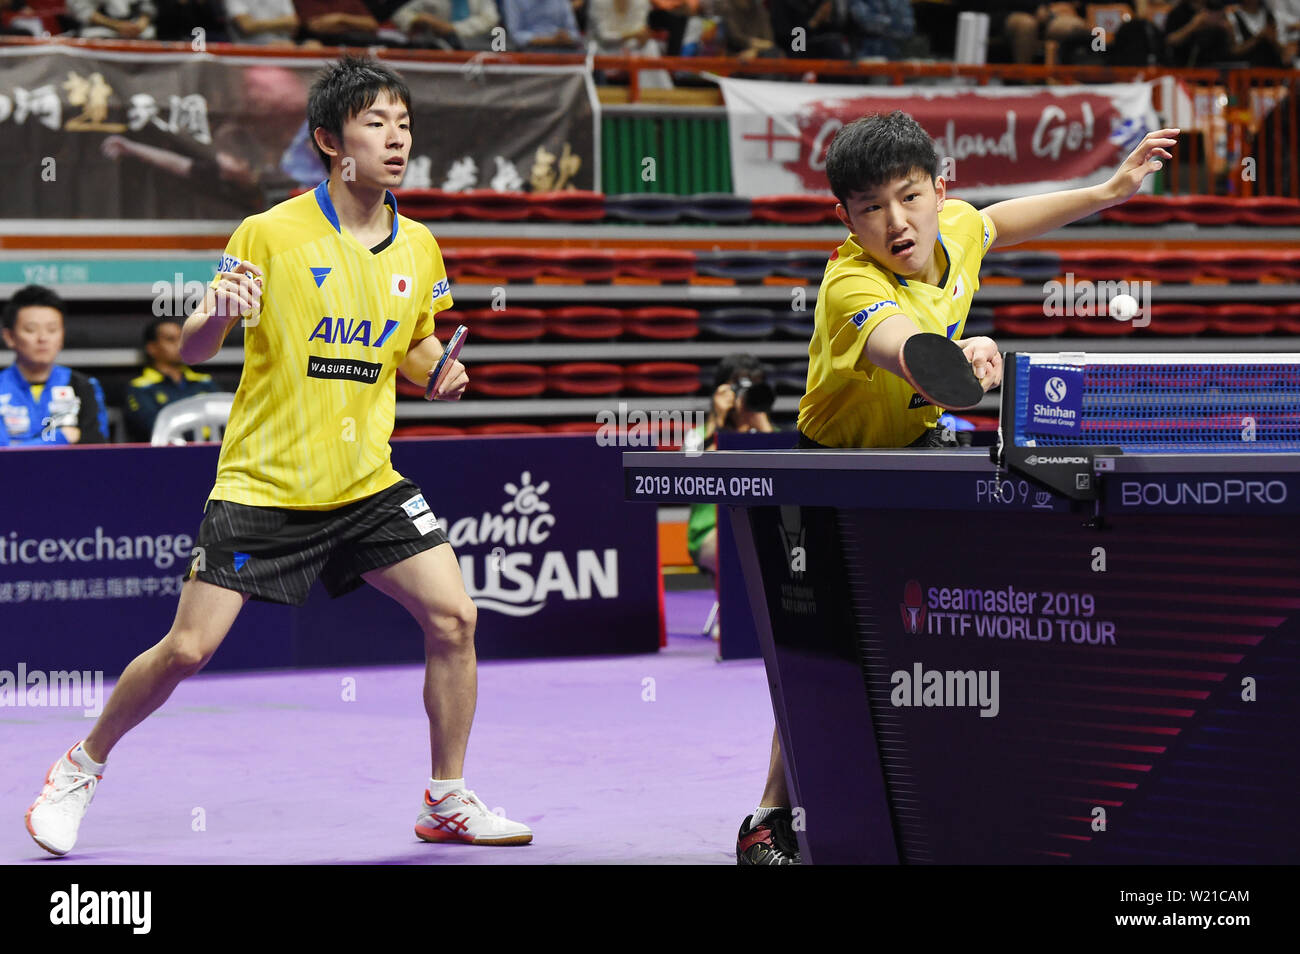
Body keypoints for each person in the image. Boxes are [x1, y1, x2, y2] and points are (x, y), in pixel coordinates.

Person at [25, 55, 533, 857]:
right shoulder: (270, 231)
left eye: (404, 124)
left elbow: (416, 342)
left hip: (366, 480)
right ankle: (79, 767)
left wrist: (436, 368)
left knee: (455, 617)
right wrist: (214, 313)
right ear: (333, 141)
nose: (396, 139)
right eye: (377, 124)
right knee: (188, 648)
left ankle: (446, 798)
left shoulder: (421, 247)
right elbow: (195, 351)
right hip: (266, 482)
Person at [734, 110, 1179, 865]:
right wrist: (955, 355)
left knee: (926, 625)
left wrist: (1108, 188)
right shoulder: (849, 282)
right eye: (870, 208)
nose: (895, 222)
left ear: (941, 189)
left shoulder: (958, 227)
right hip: (829, 469)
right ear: (843, 217)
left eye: (908, 197)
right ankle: (769, 817)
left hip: (913, 453)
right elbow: (900, 346)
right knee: (822, 646)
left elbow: (1000, 221)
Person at [685, 354, 776, 579]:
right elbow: (692, 475)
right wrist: (717, 421)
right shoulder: (698, 436)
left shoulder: (769, 435)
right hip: (710, 532)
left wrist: (763, 428)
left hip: (761, 527)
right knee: (743, 546)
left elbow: (787, 474)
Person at [1, 285, 109, 447]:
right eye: (31, 330)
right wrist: (62, 437)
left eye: (52, 330)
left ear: (62, 335)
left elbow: (97, 449)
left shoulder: (83, 386)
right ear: (9, 337)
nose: (43, 338)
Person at [123, 316, 222, 443]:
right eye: (171, 339)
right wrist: (201, 428)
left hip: (212, 453)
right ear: (152, 348)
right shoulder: (139, 388)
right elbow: (154, 427)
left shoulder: (205, 382)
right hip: (161, 457)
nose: (180, 344)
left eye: (182, 338)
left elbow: (226, 422)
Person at [390, 0, 502, 49]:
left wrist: (453, 28)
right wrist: (417, 19)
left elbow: (491, 19)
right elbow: (400, 15)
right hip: (438, 48)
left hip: (474, 47)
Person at [498, 0, 584, 48]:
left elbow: (575, 34)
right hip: (529, 50)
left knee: (591, 59)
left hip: (563, 48)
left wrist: (567, 37)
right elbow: (515, 35)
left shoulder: (562, 2)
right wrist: (547, 40)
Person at [223, 0, 300, 44]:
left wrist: (257, 25)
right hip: (248, 54)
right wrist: (282, 23)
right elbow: (247, 26)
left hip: (282, 50)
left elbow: (293, 23)